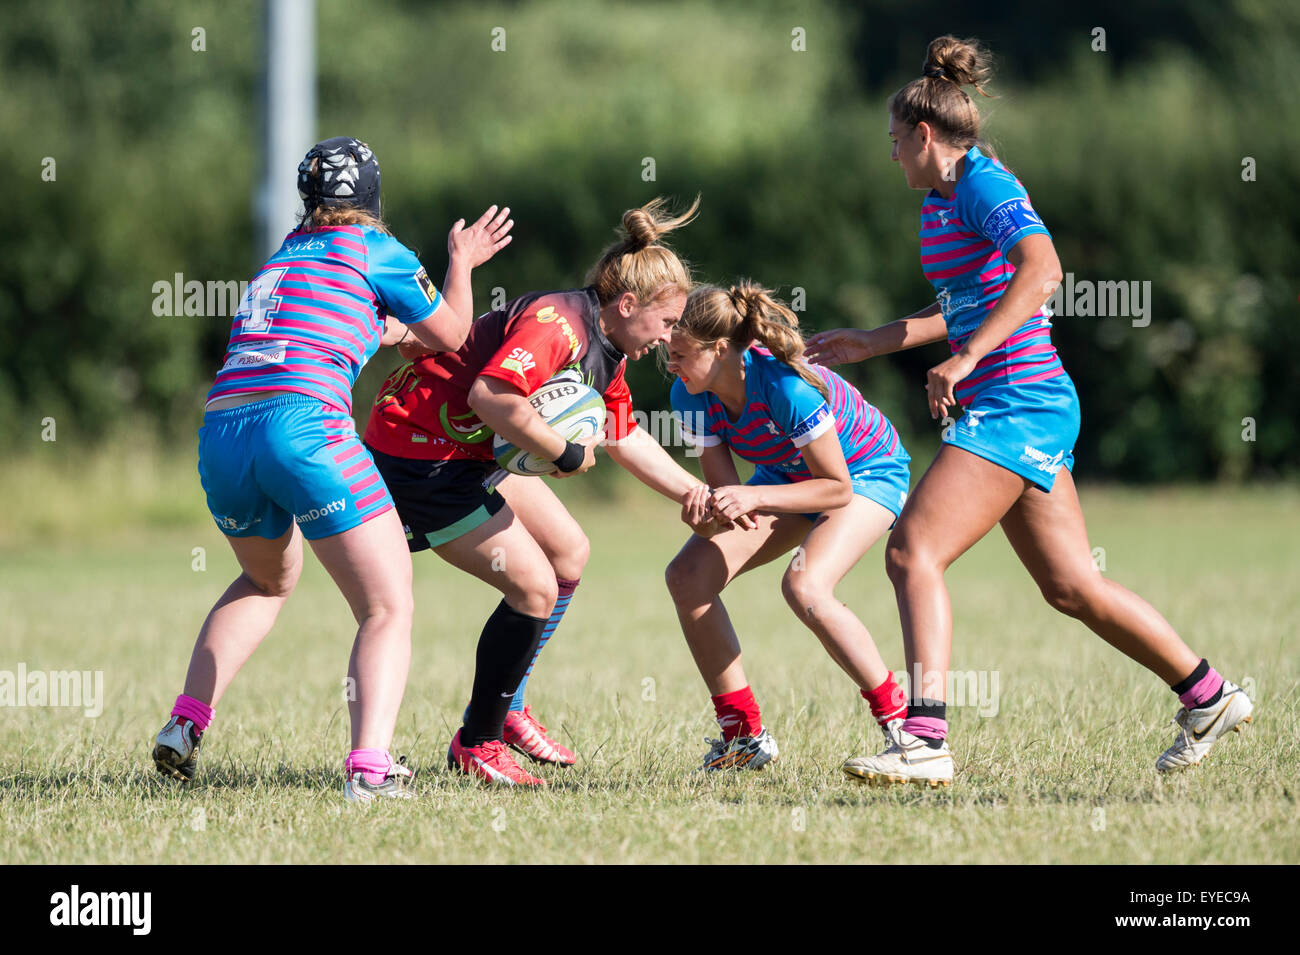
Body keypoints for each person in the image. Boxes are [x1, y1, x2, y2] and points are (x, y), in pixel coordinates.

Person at [806, 38, 1252, 787]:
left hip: (1020, 401)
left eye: (893, 143)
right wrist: (870, 342)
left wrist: (970, 356)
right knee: (1072, 585)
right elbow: (962, 307)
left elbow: (1044, 271)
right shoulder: (939, 205)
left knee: (911, 549)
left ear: (923, 136)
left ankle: (925, 738)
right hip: (1015, 404)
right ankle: (1208, 696)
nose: (890, 158)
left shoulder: (983, 181)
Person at [152, 136, 513, 801]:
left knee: (265, 581)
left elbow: (337, 332)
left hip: (224, 432)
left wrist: (392, 330)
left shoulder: (281, 259)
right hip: (306, 427)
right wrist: (460, 262)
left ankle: (185, 721)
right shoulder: (377, 251)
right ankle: (370, 771)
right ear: (373, 200)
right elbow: (456, 336)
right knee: (386, 602)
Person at [364, 197, 722, 785]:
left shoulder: (609, 351)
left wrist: (696, 494)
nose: (667, 338)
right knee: (532, 586)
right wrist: (563, 452)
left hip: (471, 450)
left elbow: (622, 435)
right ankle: (478, 740)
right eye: (664, 323)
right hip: (421, 450)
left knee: (568, 552)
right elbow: (490, 397)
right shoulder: (559, 326)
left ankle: (510, 708)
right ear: (628, 304)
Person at [663, 283, 911, 770]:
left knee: (805, 584)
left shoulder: (783, 385)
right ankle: (743, 738)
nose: (671, 365)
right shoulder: (688, 393)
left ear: (718, 349)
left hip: (866, 472)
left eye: (680, 354)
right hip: (788, 479)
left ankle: (904, 730)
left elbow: (836, 487)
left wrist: (753, 495)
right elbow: (732, 503)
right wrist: (708, 519)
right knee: (688, 577)